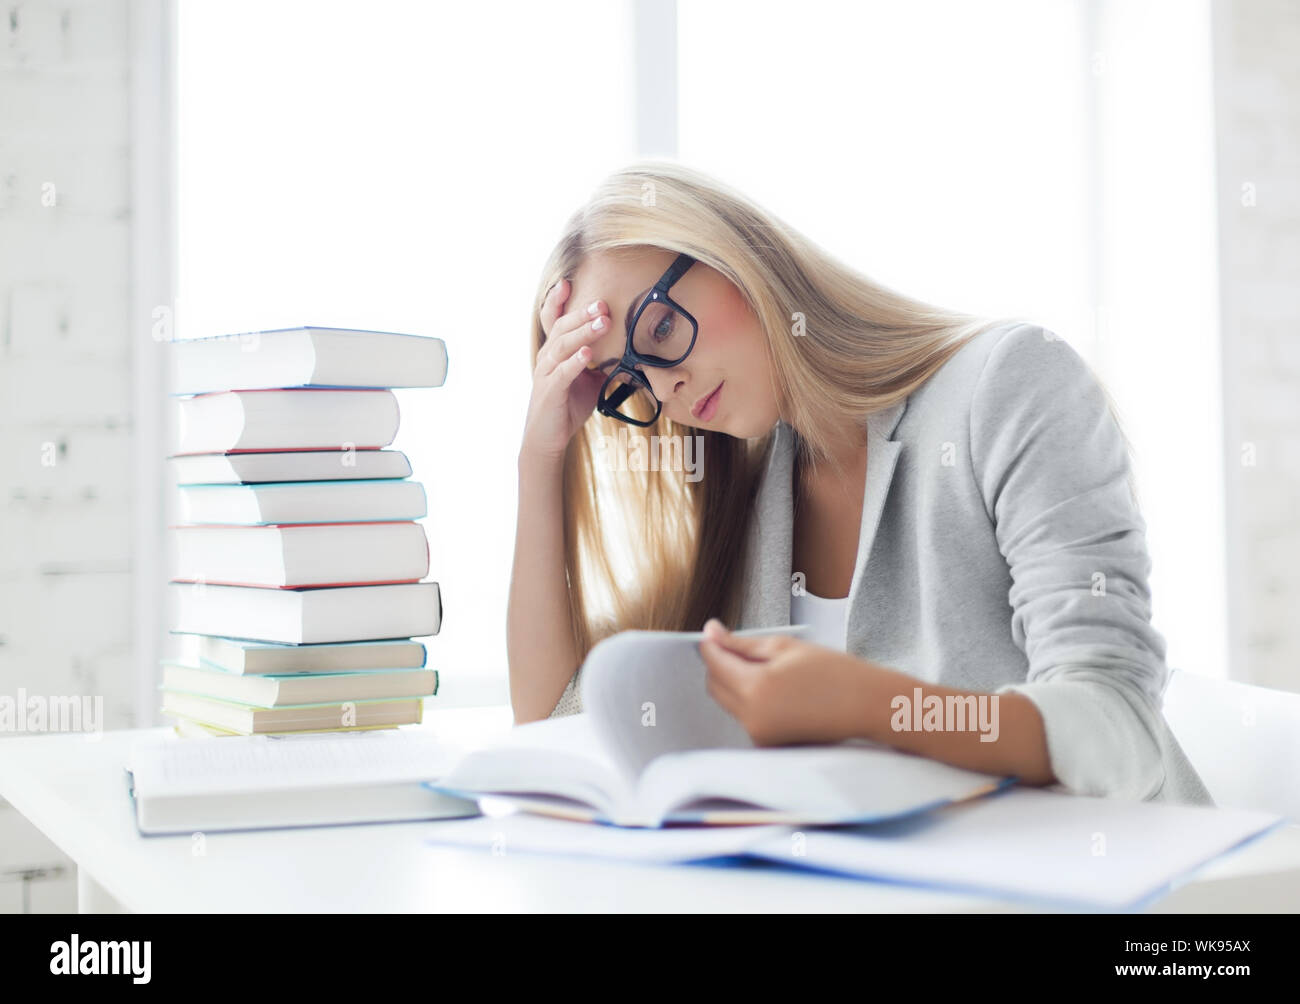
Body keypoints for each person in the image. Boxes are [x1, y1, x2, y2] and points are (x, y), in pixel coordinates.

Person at [507, 160, 1211, 804]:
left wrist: (875, 705)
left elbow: (1117, 724)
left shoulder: (1009, 383)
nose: (670, 387)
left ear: (740, 259)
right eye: (629, 381)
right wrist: (541, 461)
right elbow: (550, 725)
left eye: (660, 327)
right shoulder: (746, 487)